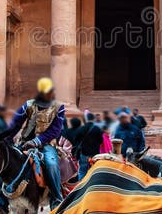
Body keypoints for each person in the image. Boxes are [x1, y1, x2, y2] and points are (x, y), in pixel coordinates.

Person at [6, 78, 65, 207]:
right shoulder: (28, 105)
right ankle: (1, 204)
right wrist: (6, 138)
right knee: (7, 161)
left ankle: (56, 199)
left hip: (47, 144)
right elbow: (15, 124)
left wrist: (37, 141)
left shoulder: (59, 107)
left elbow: (55, 130)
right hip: (25, 142)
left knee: (51, 164)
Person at [73, 112, 104, 180]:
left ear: (86, 119)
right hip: (95, 154)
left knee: (82, 171)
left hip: (84, 153)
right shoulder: (97, 129)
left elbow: (75, 140)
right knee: (94, 171)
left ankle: (81, 187)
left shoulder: (81, 128)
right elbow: (101, 141)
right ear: (93, 119)